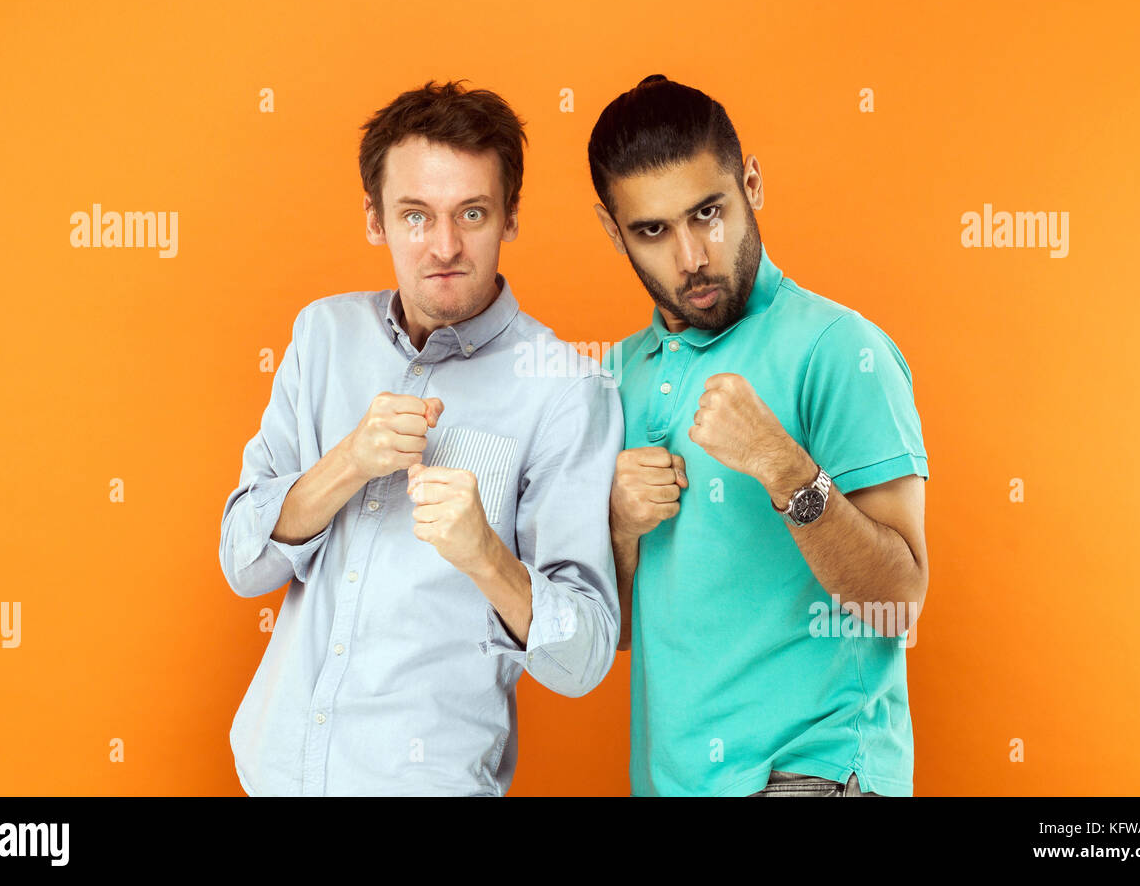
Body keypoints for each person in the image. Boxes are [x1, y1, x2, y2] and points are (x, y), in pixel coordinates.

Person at [218, 79, 622, 795]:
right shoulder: (323, 336)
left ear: (511, 218)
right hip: (272, 772)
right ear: (375, 219)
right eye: (415, 215)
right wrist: (346, 462)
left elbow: (584, 658)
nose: (444, 246)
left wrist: (487, 559)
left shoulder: (564, 389)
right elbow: (244, 564)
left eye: (472, 212)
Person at [591, 75, 930, 797]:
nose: (690, 256)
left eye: (708, 213)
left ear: (751, 184)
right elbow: (618, 632)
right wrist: (620, 529)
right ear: (612, 230)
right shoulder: (616, 375)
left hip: (810, 775)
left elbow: (898, 602)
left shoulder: (841, 349)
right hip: (671, 781)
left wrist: (785, 471)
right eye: (652, 230)